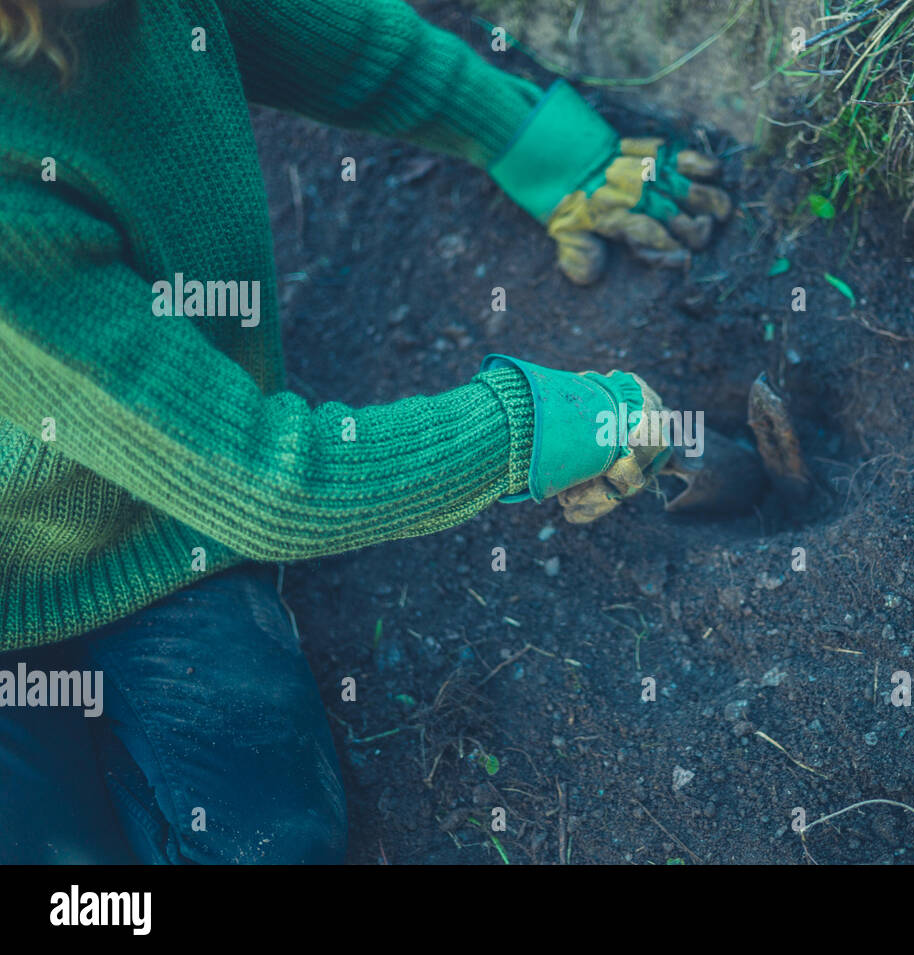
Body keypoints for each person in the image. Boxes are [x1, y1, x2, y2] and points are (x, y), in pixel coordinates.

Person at [0, 0, 730, 863]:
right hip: (107, 523)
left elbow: (314, 37)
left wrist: (533, 143)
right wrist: (527, 426)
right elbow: (272, 481)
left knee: (273, 844)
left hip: (161, 528)